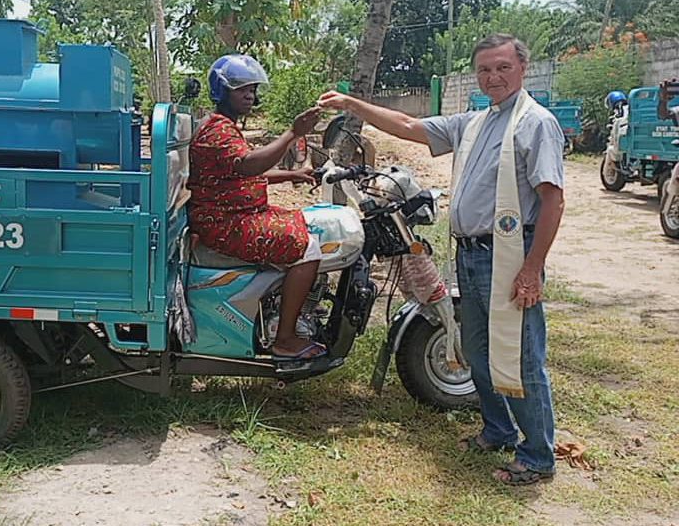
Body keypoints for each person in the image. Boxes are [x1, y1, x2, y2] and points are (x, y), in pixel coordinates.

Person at [317, 34, 564, 486]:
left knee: (523, 353)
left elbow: (552, 200)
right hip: (471, 254)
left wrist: (531, 269)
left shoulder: (536, 123)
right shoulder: (475, 121)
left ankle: (537, 455)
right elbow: (409, 128)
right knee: (477, 350)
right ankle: (498, 429)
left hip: (509, 256)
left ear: (522, 69)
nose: (493, 76)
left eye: (502, 67)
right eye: (485, 69)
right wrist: (356, 104)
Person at [188, 54, 325, 360]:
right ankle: (285, 339)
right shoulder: (217, 130)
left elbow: (243, 172)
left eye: (252, 89)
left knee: (308, 224)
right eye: (241, 89)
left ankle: (300, 305)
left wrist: (292, 174)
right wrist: (293, 133)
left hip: (234, 215)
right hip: (224, 223)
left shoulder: (223, 126)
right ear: (222, 92)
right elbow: (249, 165)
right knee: (307, 248)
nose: (250, 95)